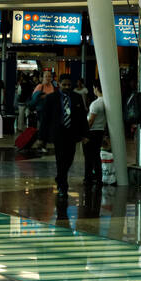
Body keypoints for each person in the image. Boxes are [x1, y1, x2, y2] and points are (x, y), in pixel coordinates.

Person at [39, 74, 89, 212]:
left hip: (72, 133)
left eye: (69, 85)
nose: (67, 87)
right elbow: (45, 119)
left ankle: (60, 177)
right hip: (58, 134)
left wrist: (85, 134)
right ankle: (62, 184)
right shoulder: (51, 98)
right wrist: (41, 138)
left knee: (70, 158)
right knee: (61, 159)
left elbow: (82, 118)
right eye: (64, 85)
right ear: (59, 84)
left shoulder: (76, 97)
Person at [83, 81, 107, 185]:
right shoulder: (105, 102)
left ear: (96, 88)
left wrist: (84, 133)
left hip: (91, 132)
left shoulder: (96, 103)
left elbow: (91, 121)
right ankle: (98, 178)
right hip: (100, 131)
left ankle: (88, 179)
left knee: (88, 157)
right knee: (96, 156)